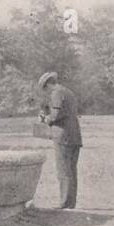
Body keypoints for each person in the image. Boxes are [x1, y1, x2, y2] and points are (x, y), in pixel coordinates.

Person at [37, 71, 82, 209]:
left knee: (63, 170)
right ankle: (70, 202)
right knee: (71, 170)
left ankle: (64, 203)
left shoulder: (56, 93)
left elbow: (55, 115)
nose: (46, 91)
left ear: (48, 84)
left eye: (45, 88)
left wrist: (45, 119)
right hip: (74, 135)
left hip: (62, 136)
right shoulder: (68, 92)